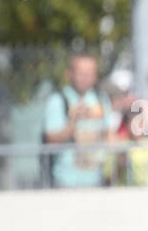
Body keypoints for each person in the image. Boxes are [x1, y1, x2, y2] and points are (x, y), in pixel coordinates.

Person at [42, 52, 112, 188]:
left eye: (90, 73)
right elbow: (50, 139)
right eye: (82, 73)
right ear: (69, 74)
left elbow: (108, 134)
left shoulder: (101, 99)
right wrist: (73, 123)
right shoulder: (58, 101)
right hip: (66, 181)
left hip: (96, 180)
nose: (86, 78)